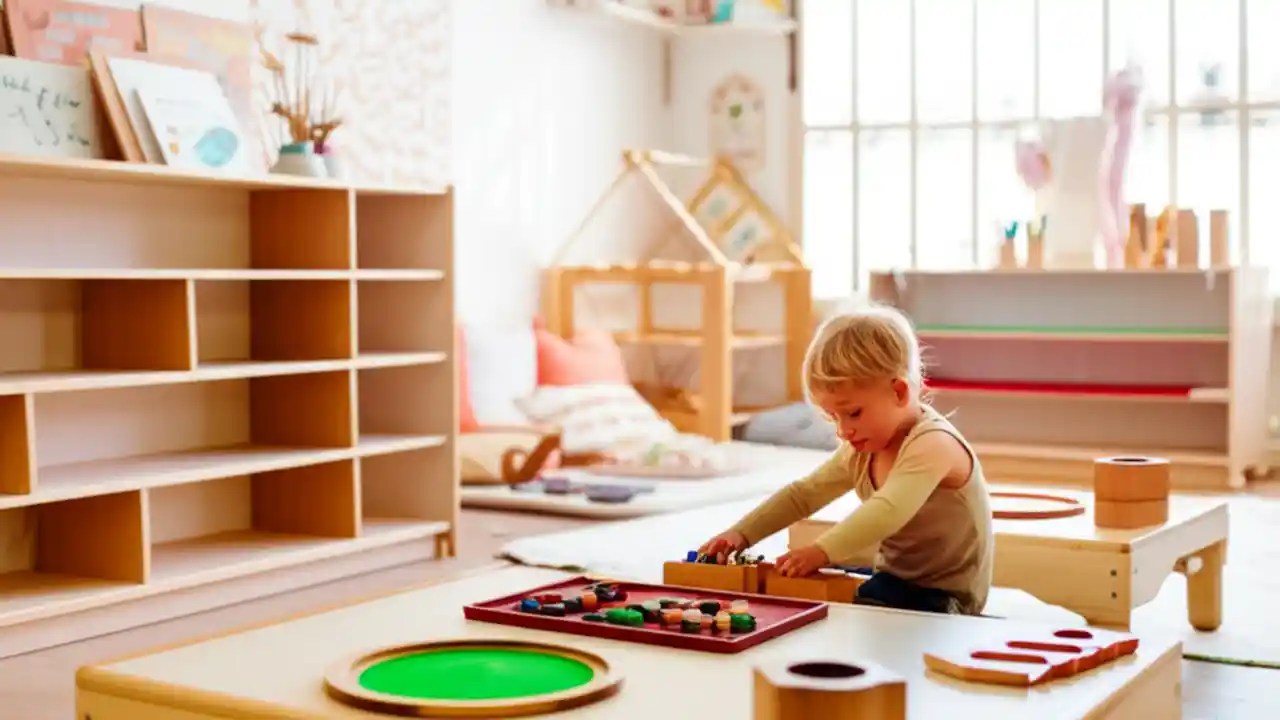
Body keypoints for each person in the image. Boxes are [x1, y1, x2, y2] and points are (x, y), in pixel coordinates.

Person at [698, 304, 994, 615]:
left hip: (946, 598)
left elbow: (888, 510)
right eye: (832, 417)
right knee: (813, 582)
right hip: (895, 580)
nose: (842, 430)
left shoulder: (934, 444)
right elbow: (804, 494)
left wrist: (820, 551)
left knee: (835, 602)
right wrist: (742, 534)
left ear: (899, 392)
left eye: (853, 413)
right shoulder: (862, 448)